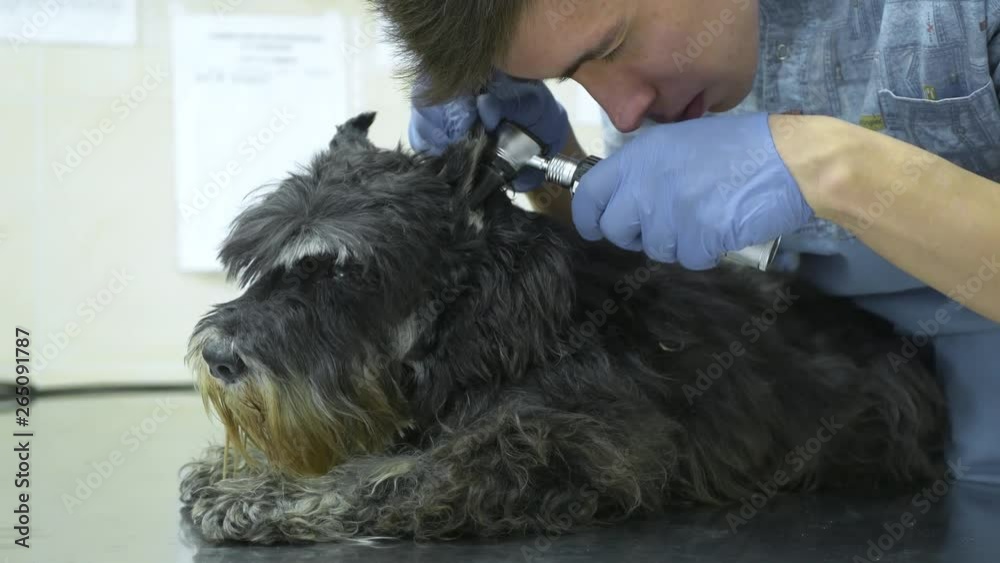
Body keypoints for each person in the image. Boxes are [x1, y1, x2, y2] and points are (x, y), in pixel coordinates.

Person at [373, 0, 1000, 483]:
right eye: (575, 78)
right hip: (843, 443)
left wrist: (828, 166)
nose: (624, 111)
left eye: (615, 44)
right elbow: (665, 297)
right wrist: (556, 167)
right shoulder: (662, 93)